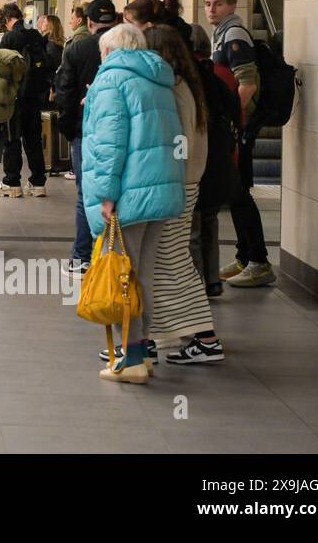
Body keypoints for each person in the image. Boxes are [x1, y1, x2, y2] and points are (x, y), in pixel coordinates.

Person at [81, 24, 185, 383]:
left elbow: (110, 144)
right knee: (141, 274)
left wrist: (107, 195)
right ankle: (140, 350)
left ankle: (132, 360)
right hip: (158, 191)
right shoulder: (158, 79)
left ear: (109, 52)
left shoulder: (112, 81)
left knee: (121, 275)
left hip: (127, 194)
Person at [141, 26, 226, 364]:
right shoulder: (185, 85)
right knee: (167, 262)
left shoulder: (173, 89)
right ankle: (155, 337)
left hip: (176, 184)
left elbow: (175, 142)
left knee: (169, 261)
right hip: (184, 183)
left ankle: (202, 338)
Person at [204, 0, 274, 287]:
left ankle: (258, 261)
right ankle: (245, 256)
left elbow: (247, 84)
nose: (211, 9)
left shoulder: (234, 36)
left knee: (240, 192)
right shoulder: (222, 33)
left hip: (239, 126)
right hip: (236, 124)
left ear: (233, 5)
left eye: (218, 4)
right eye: (207, 4)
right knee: (235, 191)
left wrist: (233, 119)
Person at [55, 0, 117, 272]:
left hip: (85, 132)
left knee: (86, 194)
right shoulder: (130, 47)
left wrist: (68, 130)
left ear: (88, 22)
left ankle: (82, 257)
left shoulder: (78, 48)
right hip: (119, 132)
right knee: (114, 195)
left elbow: (65, 94)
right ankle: (112, 258)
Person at [190, 23, 241, 297]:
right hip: (219, 159)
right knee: (209, 220)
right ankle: (212, 281)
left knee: (193, 226)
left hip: (198, 159)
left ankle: (196, 288)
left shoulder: (189, 78)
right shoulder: (219, 75)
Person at [0, 3, 51, 198]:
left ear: (7, 19)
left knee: (12, 138)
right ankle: (37, 182)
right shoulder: (36, 35)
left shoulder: (9, 38)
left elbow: (2, 69)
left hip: (14, 97)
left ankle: (12, 182)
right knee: (33, 139)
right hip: (34, 97)